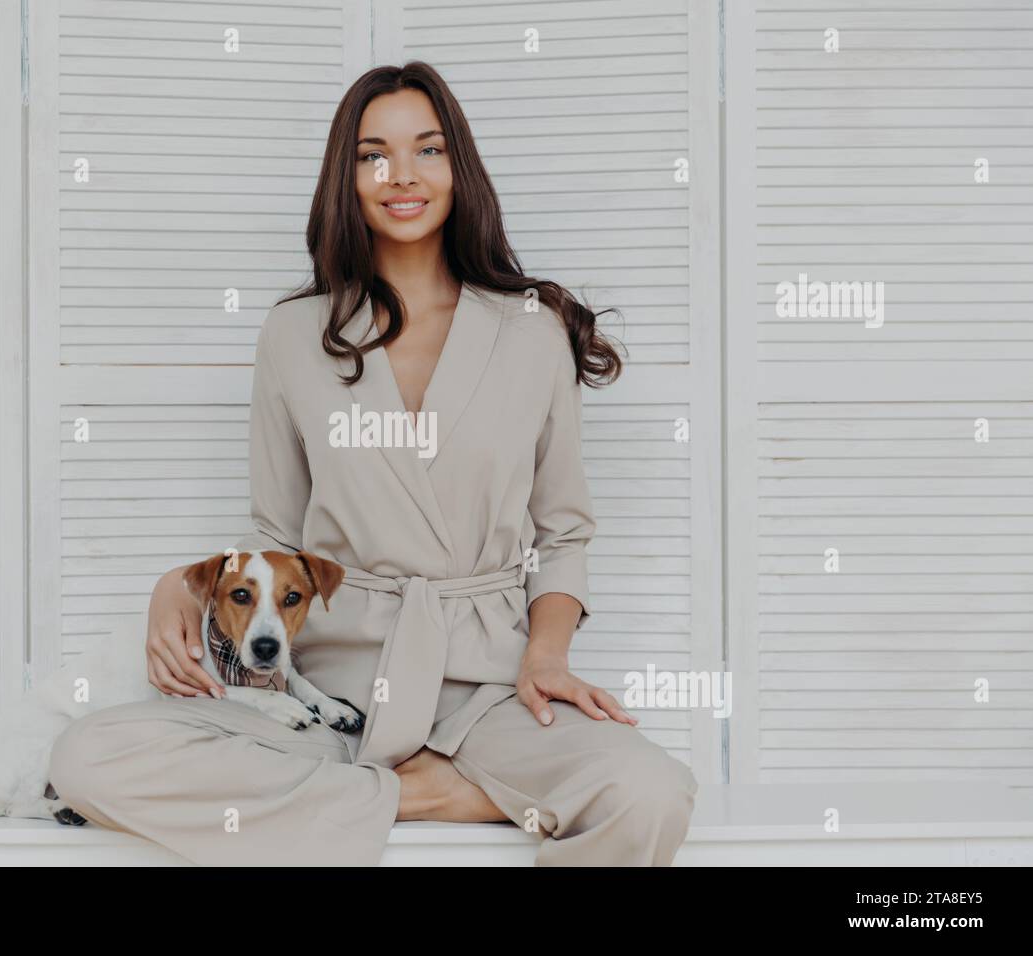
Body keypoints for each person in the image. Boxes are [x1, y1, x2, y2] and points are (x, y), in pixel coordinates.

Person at [48, 61, 697, 866]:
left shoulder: (533, 332)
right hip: (337, 695)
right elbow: (279, 536)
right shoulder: (294, 335)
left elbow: (563, 532)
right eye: (372, 155)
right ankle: (425, 793)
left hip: (487, 690)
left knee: (651, 791)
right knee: (86, 757)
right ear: (346, 178)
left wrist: (546, 657)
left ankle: (404, 791)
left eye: (427, 149)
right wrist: (171, 589)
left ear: (459, 167)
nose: (401, 176)